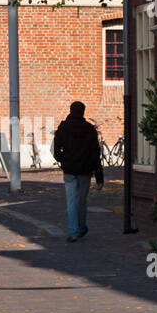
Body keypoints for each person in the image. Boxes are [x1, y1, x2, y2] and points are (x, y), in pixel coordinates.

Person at [53, 100, 103, 242]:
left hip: (69, 169)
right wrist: (99, 178)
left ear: (70, 111)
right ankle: (81, 227)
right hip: (85, 170)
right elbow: (95, 154)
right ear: (83, 112)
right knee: (81, 200)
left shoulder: (63, 128)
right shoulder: (89, 129)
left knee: (71, 201)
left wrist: (63, 161)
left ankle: (74, 230)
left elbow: (56, 150)